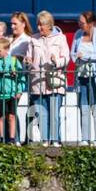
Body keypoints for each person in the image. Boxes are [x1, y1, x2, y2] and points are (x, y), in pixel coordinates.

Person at [27, 11, 69, 146]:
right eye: (38, 25)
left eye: (42, 25)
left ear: (49, 25)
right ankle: (45, 140)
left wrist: (56, 61)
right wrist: (27, 61)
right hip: (37, 82)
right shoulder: (33, 39)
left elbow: (66, 58)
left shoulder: (60, 38)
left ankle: (55, 140)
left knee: (54, 113)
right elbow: (28, 60)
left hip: (55, 81)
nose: (39, 28)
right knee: (41, 113)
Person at [71, 11, 96, 147]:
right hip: (81, 76)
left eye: (82, 23)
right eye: (79, 23)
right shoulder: (77, 35)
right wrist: (77, 56)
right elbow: (73, 54)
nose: (80, 25)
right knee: (84, 108)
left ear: (91, 23)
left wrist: (85, 56)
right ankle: (85, 138)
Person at [0, 37, 24, 144]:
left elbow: (20, 76)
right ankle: (2, 138)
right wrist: (10, 72)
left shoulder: (13, 61)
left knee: (11, 116)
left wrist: (19, 90)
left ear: (7, 49)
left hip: (11, 92)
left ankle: (12, 139)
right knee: (1, 116)